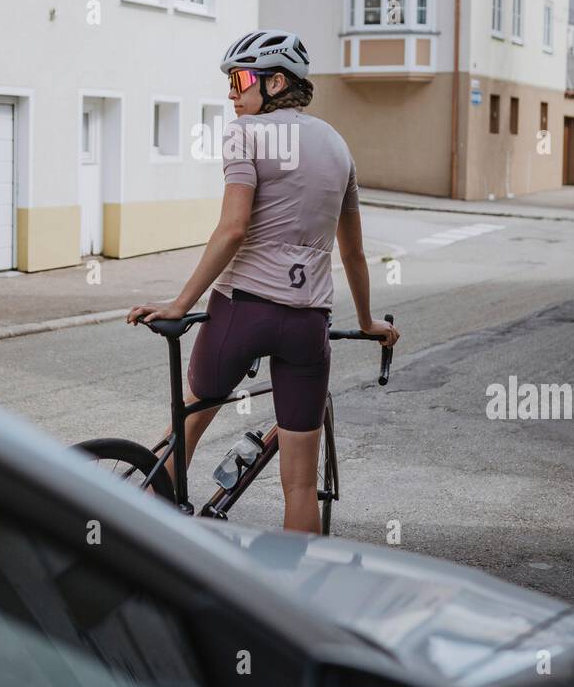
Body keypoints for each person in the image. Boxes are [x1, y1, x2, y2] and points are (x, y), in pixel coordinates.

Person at [127, 29, 399, 534]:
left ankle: (133, 534)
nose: (232, 91)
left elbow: (232, 229)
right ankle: (295, 604)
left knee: (186, 429)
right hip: (308, 322)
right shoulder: (339, 147)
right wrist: (367, 322)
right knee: (299, 488)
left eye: (240, 79)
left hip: (242, 310)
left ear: (276, 82)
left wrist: (179, 303)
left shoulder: (244, 134)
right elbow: (354, 252)